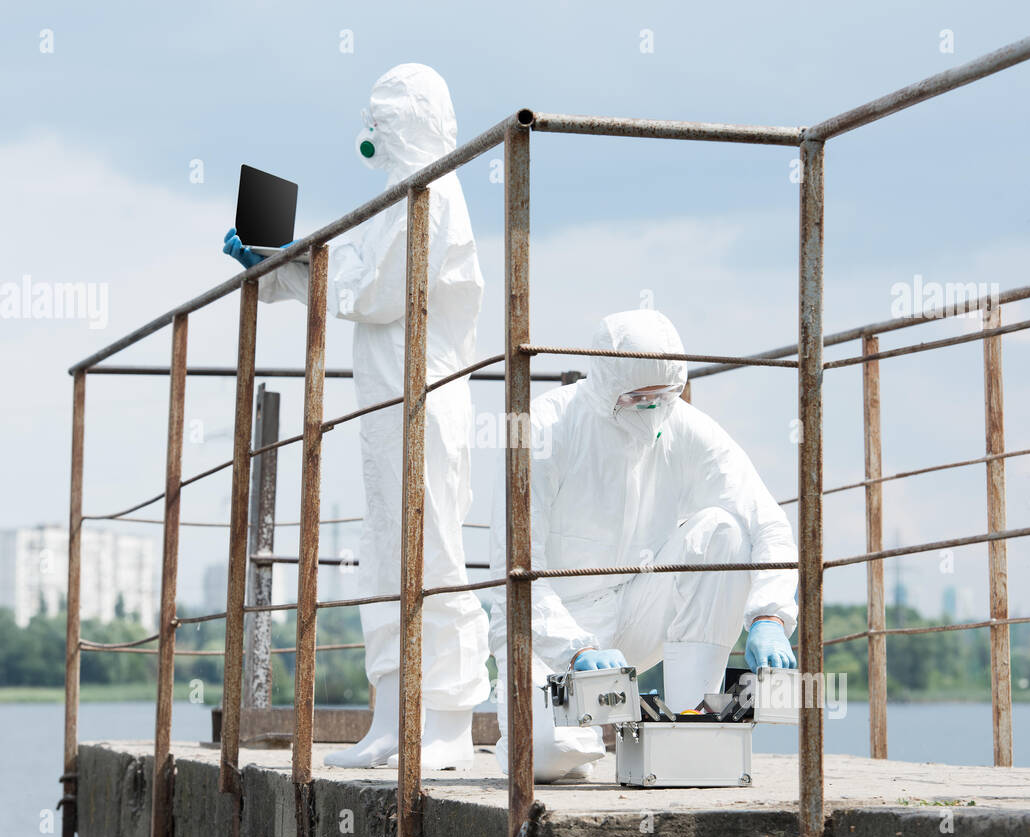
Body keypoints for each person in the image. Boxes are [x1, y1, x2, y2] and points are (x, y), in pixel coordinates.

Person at [221, 64, 490, 770]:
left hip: (426, 401)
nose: (371, 133)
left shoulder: (435, 191)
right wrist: (274, 265)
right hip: (386, 407)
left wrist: (295, 255)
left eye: (382, 118)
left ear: (412, 119)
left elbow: (372, 289)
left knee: (431, 553)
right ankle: (394, 717)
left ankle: (447, 725)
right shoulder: (399, 200)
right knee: (384, 555)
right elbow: (356, 274)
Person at [487, 309, 799, 783]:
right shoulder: (548, 427)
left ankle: (690, 726)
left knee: (723, 531)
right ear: (607, 384)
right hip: (550, 628)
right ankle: (562, 729)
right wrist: (575, 648)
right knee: (545, 759)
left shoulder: (686, 426)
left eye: (664, 394)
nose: (652, 406)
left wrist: (770, 616)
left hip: (637, 610)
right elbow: (515, 567)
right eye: (637, 396)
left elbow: (765, 522)